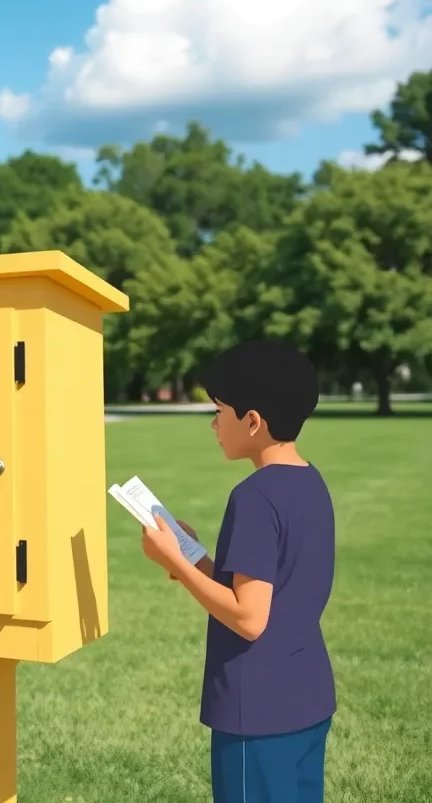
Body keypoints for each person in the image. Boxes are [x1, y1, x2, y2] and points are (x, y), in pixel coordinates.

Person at [139, 340, 336, 803]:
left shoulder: (253, 497)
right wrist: (194, 559)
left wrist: (174, 563)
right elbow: (268, 585)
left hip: (258, 711)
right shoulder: (310, 482)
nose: (213, 423)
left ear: (252, 421)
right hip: (307, 696)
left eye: (219, 411)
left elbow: (249, 618)